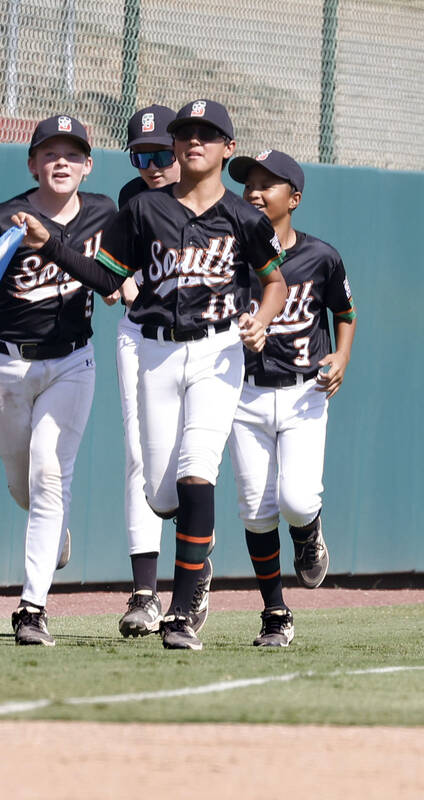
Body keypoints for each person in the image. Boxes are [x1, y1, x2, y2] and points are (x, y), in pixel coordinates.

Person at [15, 99, 289, 650]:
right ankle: (198, 560)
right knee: (162, 495)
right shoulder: (143, 210)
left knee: (197, 471)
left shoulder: (245, 218)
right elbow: (106, 276)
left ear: (227, 148)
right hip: (157, 354)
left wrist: (261, 320)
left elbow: (275, 283)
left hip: (217, 352)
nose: (195, 142)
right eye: (186, 133)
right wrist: (52, 245)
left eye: (208, 134)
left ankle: (182, 612)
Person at [0, 116, 112, 646]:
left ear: (88, 165)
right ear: (32, 164)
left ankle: (32, 607)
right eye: (49, 153)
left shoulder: (103, 214)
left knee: (49, 474)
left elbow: (115, 279)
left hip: (71, 362)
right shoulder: (5, 217)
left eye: (72, 154)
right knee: (23, 485)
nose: (61, 162)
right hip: (4, 365)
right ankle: (53, 527)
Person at [226, 149, 354, 647]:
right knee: (256, 511)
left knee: (297, 501)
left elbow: (345, 313)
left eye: (267, 185)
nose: (254, 193)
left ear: (293, 198)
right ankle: (275, 612)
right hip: (244, 394)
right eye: (249, 185)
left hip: (305, 392)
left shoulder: (321, 256)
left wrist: (341, 355)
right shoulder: (231, 255)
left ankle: (307, 533)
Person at [114, 104, 186, 638]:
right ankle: (144, 592)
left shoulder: (212, 201)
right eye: (141, 156)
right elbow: (121, 265)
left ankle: (192, 574)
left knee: (190, 463)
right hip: (141, 333)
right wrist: (121, 278)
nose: (152, 166)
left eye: (161, 154)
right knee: (140, 454)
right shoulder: (132, 198)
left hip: (203, 341)